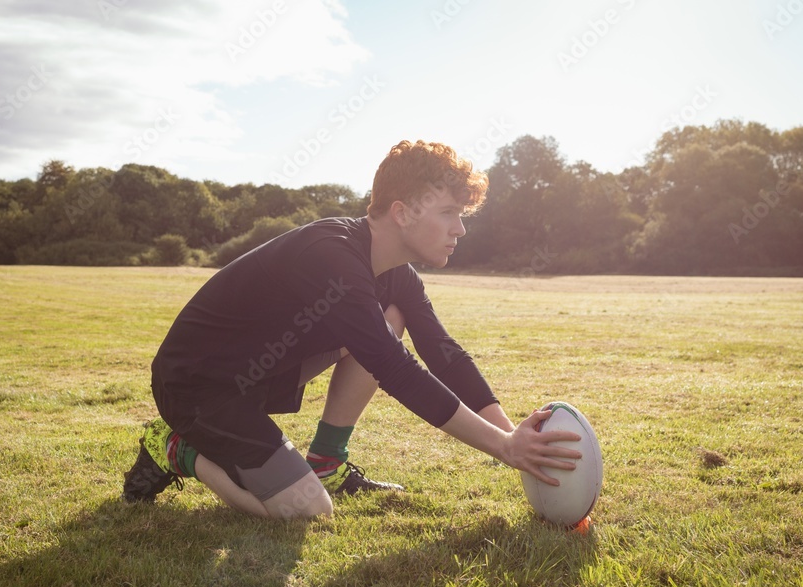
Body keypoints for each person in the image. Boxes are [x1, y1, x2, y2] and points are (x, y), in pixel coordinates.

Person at [122, 139, 582, 518]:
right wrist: (502, 447)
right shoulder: (333, 254)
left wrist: (512, 435)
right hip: (200, 387)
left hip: (258, 375)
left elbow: (443, 352)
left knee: (392, 318)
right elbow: (394, 368)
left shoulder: (398, 274)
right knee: (307, 513)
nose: (459, 229)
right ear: (402, 212)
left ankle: (325, 462)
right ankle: (174, 446)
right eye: (448, 212)